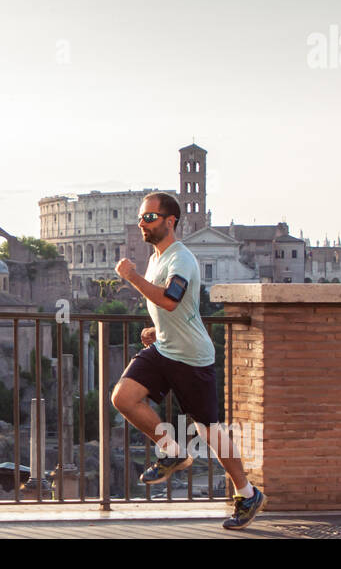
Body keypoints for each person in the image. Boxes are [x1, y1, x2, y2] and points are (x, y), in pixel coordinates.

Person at [110, 192, 265, 529]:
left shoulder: (182, 259)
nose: (142, 223)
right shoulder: (157, 257)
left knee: (210, 431)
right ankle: (173, 449)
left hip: (192, 357)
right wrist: (156, 329)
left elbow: (170, 299)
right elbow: (172, 310)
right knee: (123, 397)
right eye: (141, 217)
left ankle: (247, 492)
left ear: (170, 222)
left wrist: (132, 278)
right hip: (165, 348)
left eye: (149, 217)